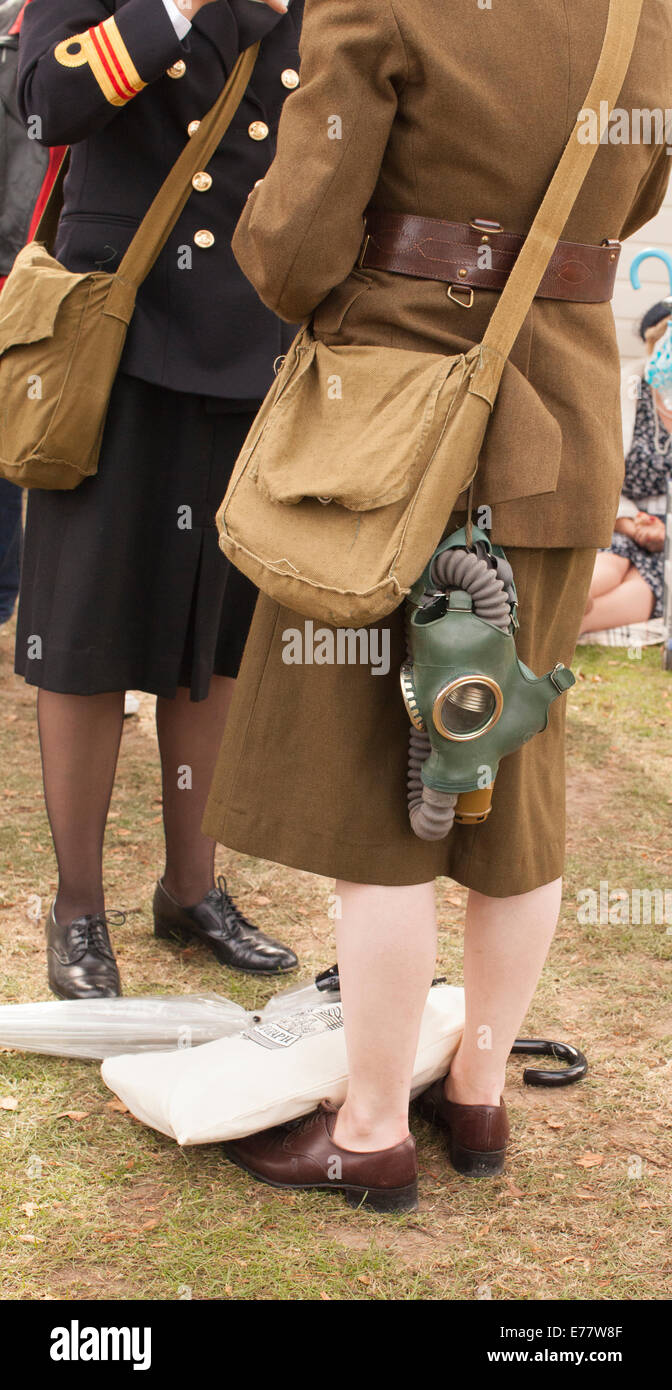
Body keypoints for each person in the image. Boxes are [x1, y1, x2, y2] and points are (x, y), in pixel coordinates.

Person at [202, 0, 672, 1211]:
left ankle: (368, 1130)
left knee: (384, 799)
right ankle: (475, 1093)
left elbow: (291, 249)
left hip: (398, 431)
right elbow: (631, 203)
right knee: (513, 773)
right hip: (564, 428)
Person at [14, 0, 303, 999]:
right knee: (84, 635)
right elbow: (44, 98)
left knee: (213, 645)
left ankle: (192, 889)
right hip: (116, 339)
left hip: (250, 340)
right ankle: (78, 908)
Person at [581, 301, 671, 635]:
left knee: (647, 583)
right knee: (612, 563)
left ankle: (558, 629)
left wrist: (666, 534)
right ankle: (565, 607)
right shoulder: (628, 389)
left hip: (667, 538)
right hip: (621, 519)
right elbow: (598, 472)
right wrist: (631, 525)